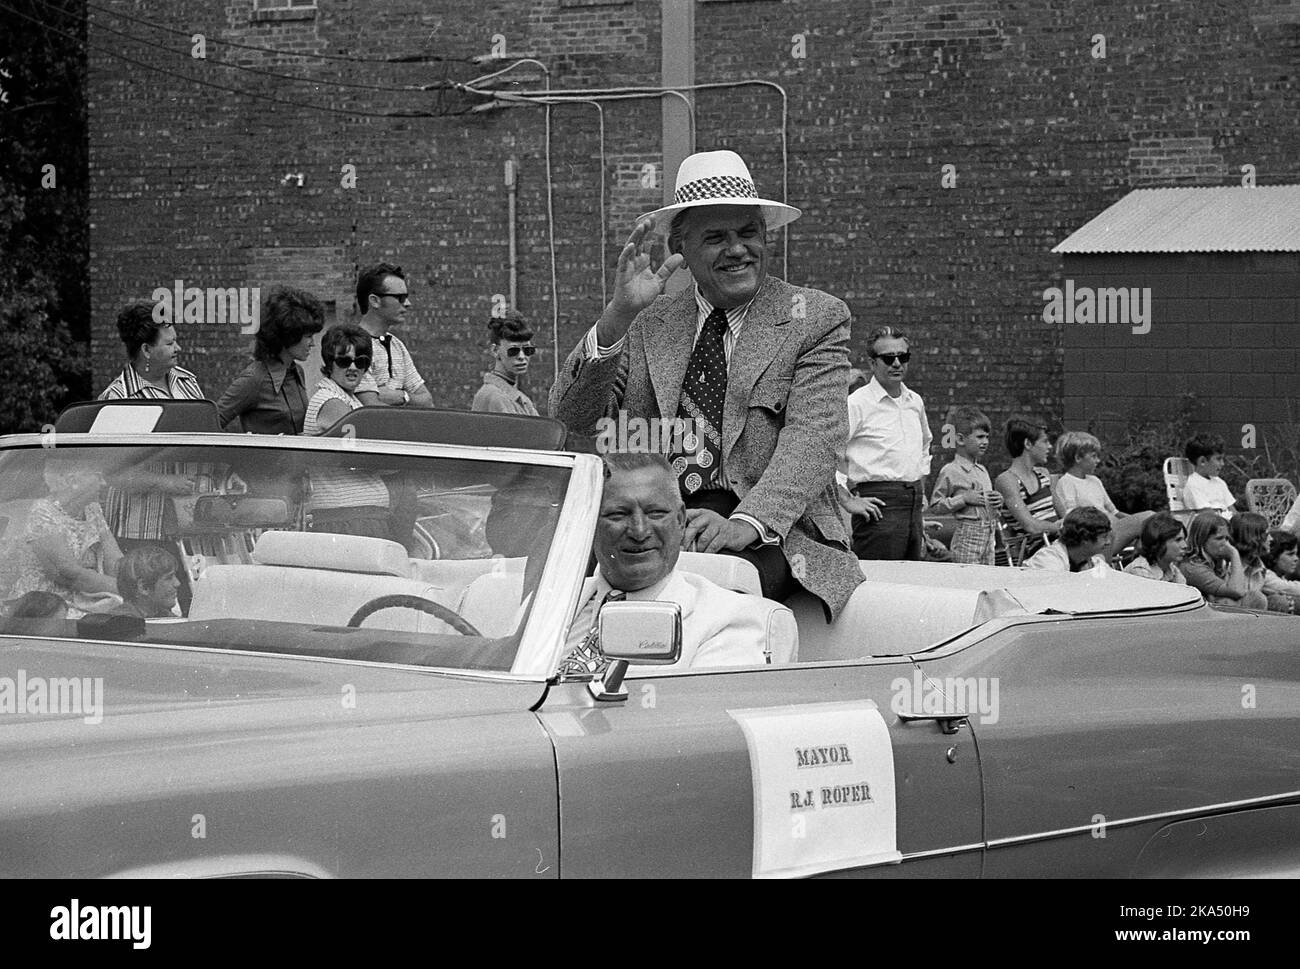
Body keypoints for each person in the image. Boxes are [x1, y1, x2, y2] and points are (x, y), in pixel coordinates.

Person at [549, 149, 861, 618]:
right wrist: (617, 317)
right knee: (558, 588)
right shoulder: (646, 320)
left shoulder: (814, 318)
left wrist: (749, 521)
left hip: (772, 528)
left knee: (709, 593)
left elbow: (814, 438)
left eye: (748, 233)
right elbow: (572, 423)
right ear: (682, 248)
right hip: (655, 518)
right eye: (716, 237)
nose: (737, 249)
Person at [557, 452, 793, 676]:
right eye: (618, 515)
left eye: (656, 513)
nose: (639, 531)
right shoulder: (542, 605)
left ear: (681, 520)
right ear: (587, 521)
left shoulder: (733, 620)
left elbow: (700, 715)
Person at [840, 326, 933, 561]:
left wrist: (919, 487)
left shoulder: (915, 401)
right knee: (879, 585)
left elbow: (924, 445)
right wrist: (848, 500)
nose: (896, 364)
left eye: (903, 357)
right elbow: (825, 454)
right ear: (872, 363)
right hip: (878, 507)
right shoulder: (857, 403)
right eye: (888, 358)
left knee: (910, 585)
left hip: (913, 505)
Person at [303, 324, 394, 540]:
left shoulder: (350, 400)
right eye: (344, 361)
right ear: (329, 363)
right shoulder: (331, 401)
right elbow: (362, 457)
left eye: (361, 362)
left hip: (358, 516)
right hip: (346, 518)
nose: (353, 368)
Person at [8, 452, 124, 617]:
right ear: (73, 481)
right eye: (98, 476)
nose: (104, 483)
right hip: (46, 609)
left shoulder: (92, 509)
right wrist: (129, 589)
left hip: (88, 599)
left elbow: (115, 559)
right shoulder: (42, 512)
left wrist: (136, 582)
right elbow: (70, 574)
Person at [216, 285, 325, 434]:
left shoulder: (297, 372)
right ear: (289, 335)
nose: (312, 343)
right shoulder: (254, 379)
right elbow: (211, 421)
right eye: (308, 336)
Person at [1053, 430, 1153, 554]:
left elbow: (1114, 512)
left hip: (1112, 529)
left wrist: (1134, 521)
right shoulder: (1066, 482)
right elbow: (1071, 517)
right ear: (1078, 458)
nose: (1098, 460)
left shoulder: (1095, 481)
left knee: (1154, 523)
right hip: (1095, 537)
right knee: (1149, 517)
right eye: (1093, 456)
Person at [352, 262, 434, 409]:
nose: (407, 303)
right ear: (374, 301)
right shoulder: (353, 345)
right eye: (400, 297)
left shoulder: (397, 345)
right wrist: (407, 400)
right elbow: (370, 406)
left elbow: (427, 401)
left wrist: (402, 396)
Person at [928, 406, 1002, 565]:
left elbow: (987, 506)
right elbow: (935, 506)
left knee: (987, 581)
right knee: (967, 581)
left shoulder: (982, 471)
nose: (985, 442)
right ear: (961, 439)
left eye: (987, 437)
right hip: (967, 539)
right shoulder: (951, 470)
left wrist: (997, 502)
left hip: (989, 537)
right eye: (980, 437)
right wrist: (963, 499)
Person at [994, 417, 1063, 564]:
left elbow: (1064, 514)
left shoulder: (1043, 474)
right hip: (1040, 546)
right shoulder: (1007, 480)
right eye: (1045, 441)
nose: (1049, 446)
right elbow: (1030, 525)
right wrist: (1062, 527)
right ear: (1028, 444)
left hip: (1061, 540)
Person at [1179, 511, 1267, 609]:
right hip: (1197, 617)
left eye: (1227, 538)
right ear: (1202, 539)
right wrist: (1234, 554)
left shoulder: (1215, 562)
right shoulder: (1192, 567)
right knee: (1254, 598)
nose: (1225, 544)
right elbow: (1237, 591)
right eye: (1219, 538)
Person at [1230, 512, 1300, 614]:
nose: (1271, 539)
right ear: (1252, 538)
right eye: (1267, 535)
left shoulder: (1258, 567)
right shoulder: (1227, 566)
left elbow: (1286, 588)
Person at [472, 312, 540, 415]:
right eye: (513, 351)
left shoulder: (516, 397)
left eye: (527, 350)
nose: (522, 357)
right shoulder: (496, 397)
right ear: (495, 351)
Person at [1024, 506, 1113, 573]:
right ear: (1085, 538)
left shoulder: (1093, 561)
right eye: (1104, 537)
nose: (1108, 542)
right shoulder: (1048, 562)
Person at [113, 544, 181, 618]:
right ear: (144, 587)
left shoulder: (166, 616)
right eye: (169, 578)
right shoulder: (120, 623)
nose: (177, 583)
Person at [1182, 433, 1237, 518]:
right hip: (1210, 527)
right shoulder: (1193, 485)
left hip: (1227, 524)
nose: (1222, 464)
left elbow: (1233, 510)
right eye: (1218, 459)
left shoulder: (1219, 482)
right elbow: (1208, 516)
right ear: (1202, 461)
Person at [1123, 512, 1188, 583]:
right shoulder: (1141, 570)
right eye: (1178, 540)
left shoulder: (1170, 567)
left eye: (1184, 539)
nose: (1185, 545)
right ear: (1159, 543)